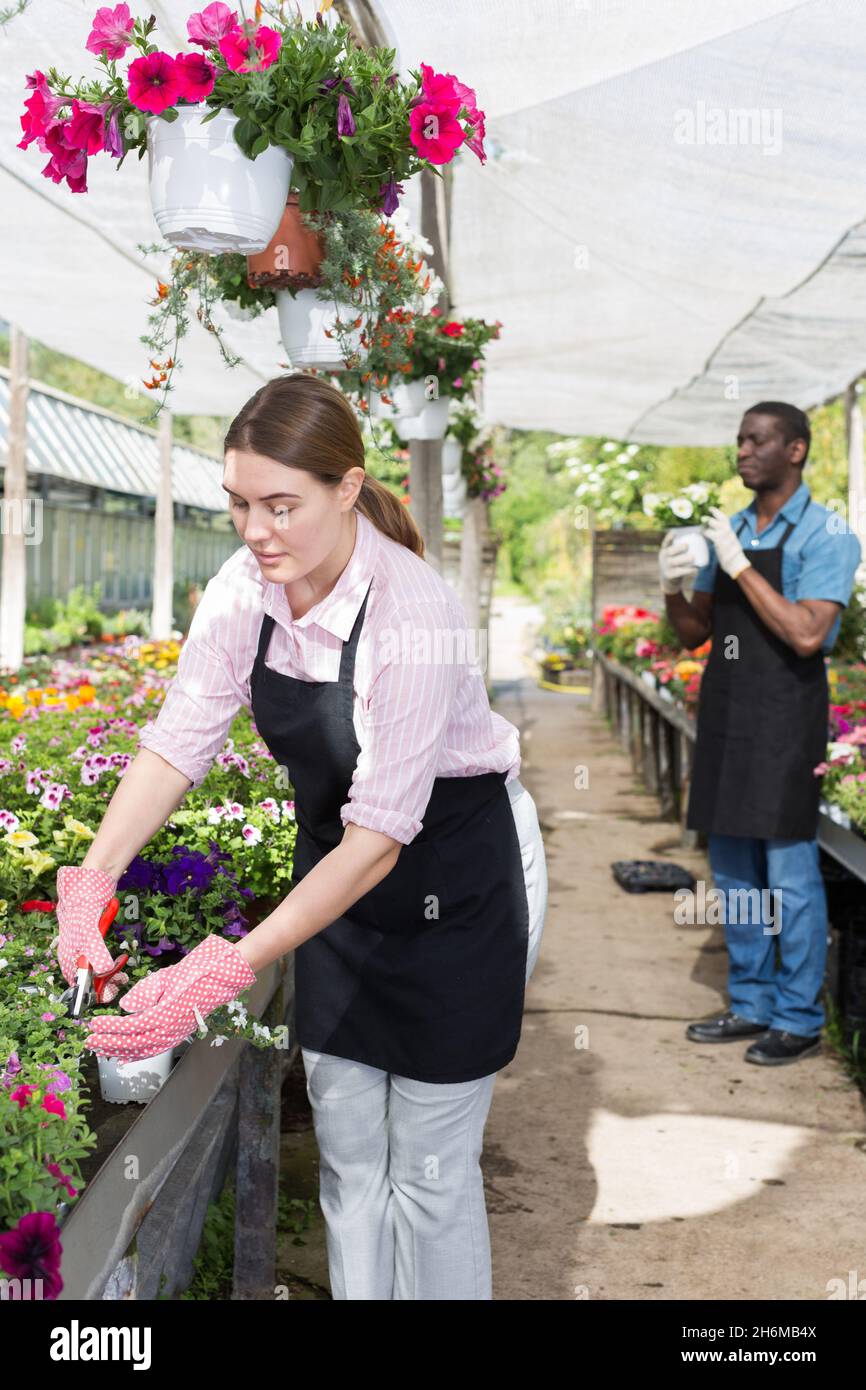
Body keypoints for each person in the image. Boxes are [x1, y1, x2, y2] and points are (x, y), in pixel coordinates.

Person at [54, 372, 548, 1301]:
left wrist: (220, 968)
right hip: (336, 887)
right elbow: (176, 741)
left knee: (431, 1175)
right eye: (239, 503)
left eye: (282, 506)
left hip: (454, 883)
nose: (255, 530)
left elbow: (382, 837)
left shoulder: (416, 613)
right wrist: (91, 880)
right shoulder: (246, 591)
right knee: (351, 1152)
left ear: (349, 489)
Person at [659, 401, 861, 1066]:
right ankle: (750, 1001)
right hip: (727, 712)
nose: (742, 451)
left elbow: (807, 633)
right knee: (733, 869)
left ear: (795, 450)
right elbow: (697, 634)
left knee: (789, 874)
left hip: (783, 718)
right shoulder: (735, 526)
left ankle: (798, 1016)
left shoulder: (828, 535)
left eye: (757, 440)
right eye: (740, 440)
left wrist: (739, 564)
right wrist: (674, 582)